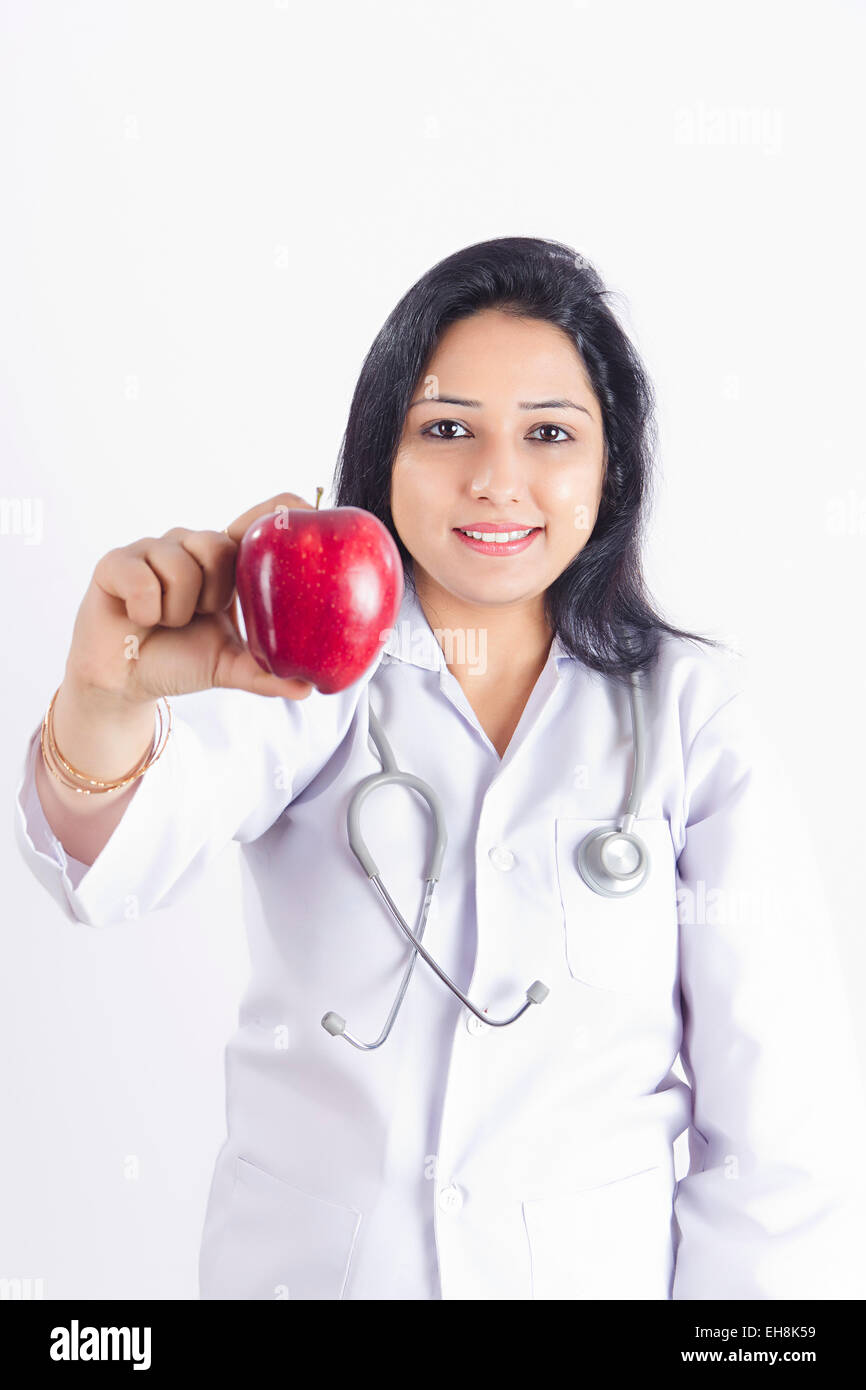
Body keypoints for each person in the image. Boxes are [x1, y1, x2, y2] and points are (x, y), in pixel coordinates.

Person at [14, 236, 866, 1300]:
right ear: (383, 454)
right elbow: (110, 860)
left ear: (612, 466)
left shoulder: (694, 719)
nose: (495, 479)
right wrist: (104, 700)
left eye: (548, 432)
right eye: (446, 428)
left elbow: (777, 1132)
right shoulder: (299, 671)